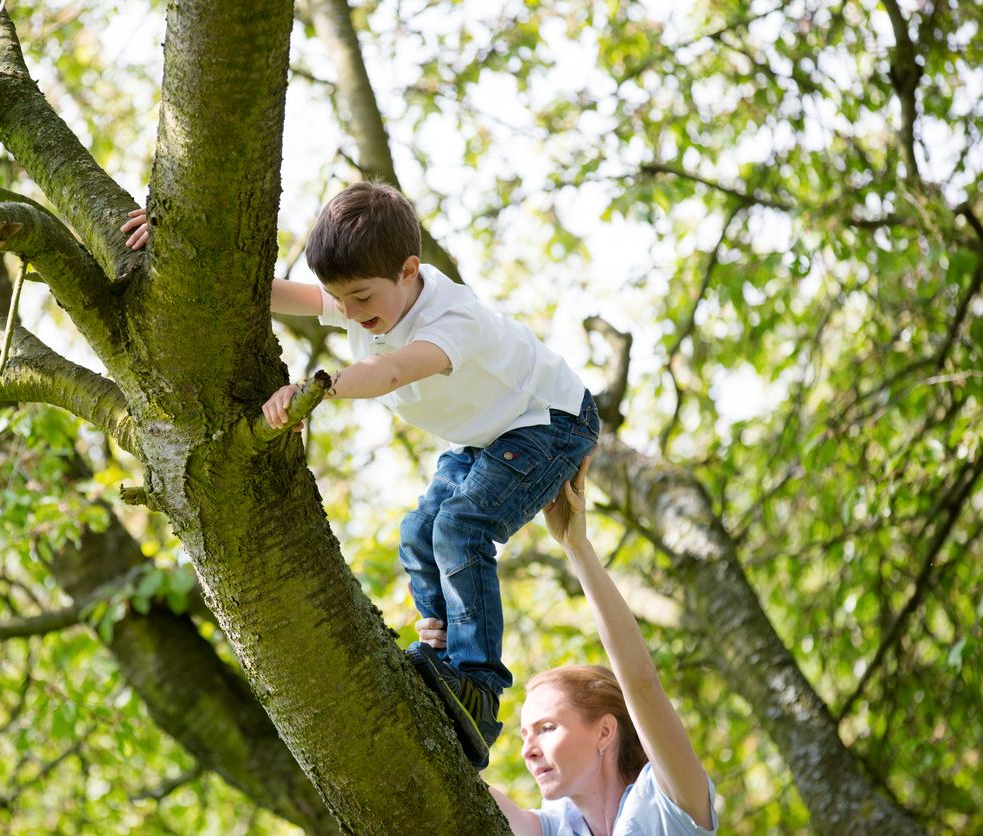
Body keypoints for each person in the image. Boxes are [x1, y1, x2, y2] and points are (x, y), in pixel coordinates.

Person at [123, 181, 599, 768]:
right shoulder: (366, 293)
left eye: (360, 298)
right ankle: (446, 657)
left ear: (408, 270)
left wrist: (314, 390)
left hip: (547, 422)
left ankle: (478, 686)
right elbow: (287, 295)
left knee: (460, 528)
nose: (348, 313)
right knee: (418, 535)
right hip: (485, 434)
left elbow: (394, 370)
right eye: (338, 297)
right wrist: (186, 265)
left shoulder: (452, 317)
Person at [417, 457, 717, 835]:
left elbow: (641, 683)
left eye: (546, 728)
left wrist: (577, 546)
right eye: (526, 734)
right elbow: (446, 761)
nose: (528, 750)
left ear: (605, 733)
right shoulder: (553, 827)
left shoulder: (669, 805)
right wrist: (438, 660)